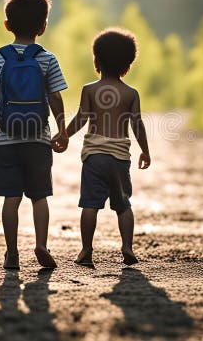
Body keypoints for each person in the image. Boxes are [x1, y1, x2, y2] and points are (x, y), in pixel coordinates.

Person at [0, 0, 68, 270]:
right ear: (43, 26)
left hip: (5, 140)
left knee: (11, 198)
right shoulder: (47, 58)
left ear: (7, 25)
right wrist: (62, 129)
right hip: (38, 139)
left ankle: (12, 252)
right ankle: (41, 244)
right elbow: (55, 97)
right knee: (40, 197)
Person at [52, 27, 151, 267]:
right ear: (127, 66)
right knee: (124, 204)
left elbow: (81, 119)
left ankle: (86, 250)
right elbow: (137, 125)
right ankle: (127, 247)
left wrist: (63, 134)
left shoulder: (90, 90)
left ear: (96, 61)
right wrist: (145, 151)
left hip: (94, 158)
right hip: (119, 158)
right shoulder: (131, 93)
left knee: (89, 204)